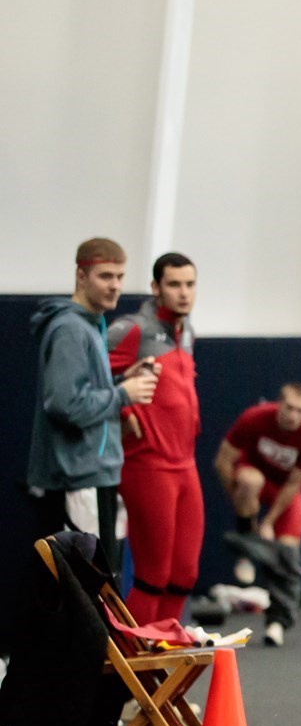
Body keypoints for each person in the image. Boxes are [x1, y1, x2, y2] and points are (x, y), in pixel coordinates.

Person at [29, 238, 157, 584]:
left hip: (94, 475)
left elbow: (84, 389)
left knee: (100, 583)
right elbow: (64, 404)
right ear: (81, 276)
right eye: (105, 276)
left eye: (120, 276)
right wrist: (122, 394)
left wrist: (120, 381)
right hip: (78, 478)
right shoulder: (70, 329)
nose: (115, 285)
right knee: (86, 587)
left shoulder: (90, 324)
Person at [106, 252, 200, 624]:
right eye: (174, 285)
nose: (184, 293)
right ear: (155, 288)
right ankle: (134, 655)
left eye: (190, 284)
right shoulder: (131, 329)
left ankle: (164, 652)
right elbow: (91, 377)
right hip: (147, 464)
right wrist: (124, 411)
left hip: (185, 464)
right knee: (153, 575)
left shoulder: (187, 331)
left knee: (184, 574)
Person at [215, 384, 301, 647]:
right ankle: (246, 538)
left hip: (284, 492)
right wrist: (239, 502)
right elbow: (222, 462)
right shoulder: (254, 418)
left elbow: (294, 484)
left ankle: (277, 621)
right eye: (289, 408)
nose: (293, 416)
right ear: (278, 405)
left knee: (288, 553)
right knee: (249, 481)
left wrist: (269, 522)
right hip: (254, 478)